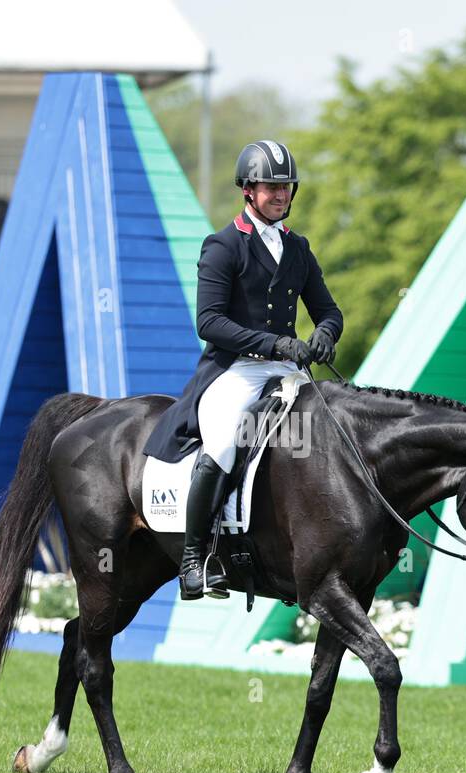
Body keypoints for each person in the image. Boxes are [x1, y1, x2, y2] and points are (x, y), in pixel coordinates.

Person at [142, 140, 344, 600]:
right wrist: (275, 342)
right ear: (248, 190)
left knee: (330, 427)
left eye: (286, 186)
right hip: (234, 370)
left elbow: (328, 310)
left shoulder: (297, 247)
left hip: (286, 371)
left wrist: (325, 335)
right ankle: (194, 560)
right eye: (271, 186)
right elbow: (209, 322)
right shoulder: (223, 245)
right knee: (227, 440)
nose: (280, 194)